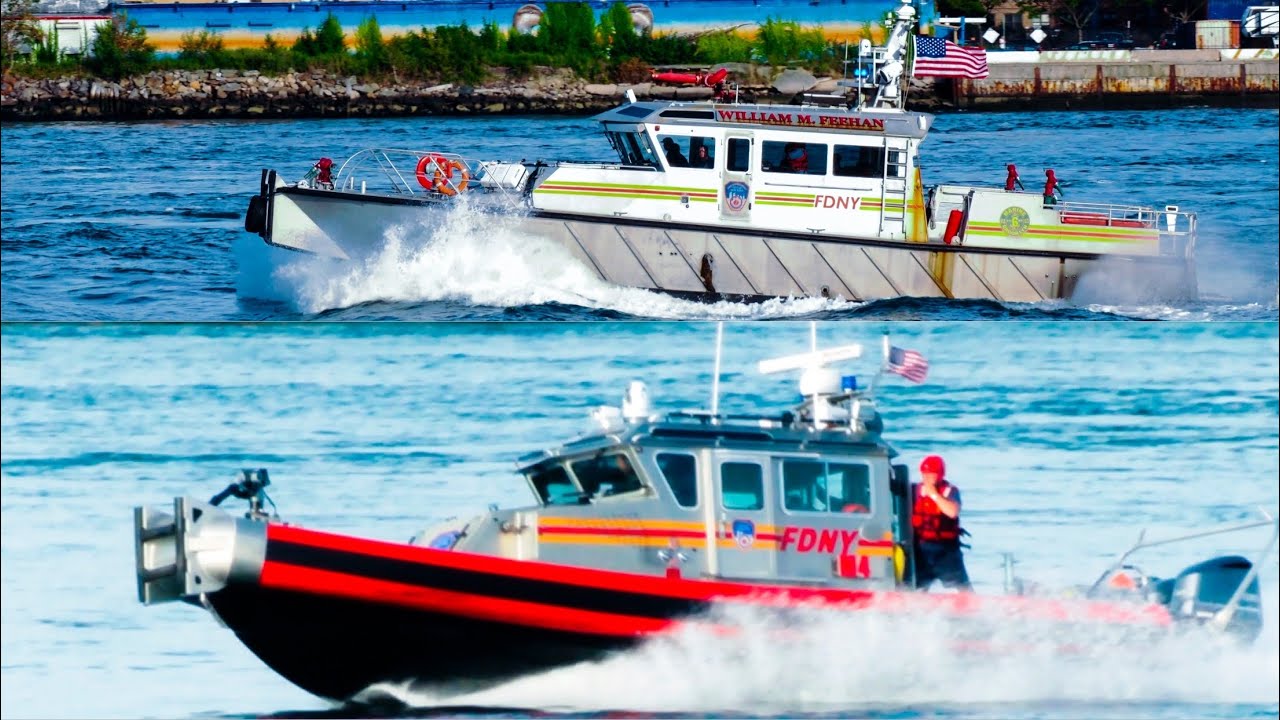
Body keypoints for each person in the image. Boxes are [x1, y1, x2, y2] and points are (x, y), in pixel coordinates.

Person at [911, 454, 972, 591]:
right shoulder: (914, 490)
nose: (926, 477)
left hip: (946, 551)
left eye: (930, 473)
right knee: (918, 588)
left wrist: (933, 494)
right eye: (924, 473)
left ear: (940, 474)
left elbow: (952, 512)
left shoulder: (950, 491)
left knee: (963, 590)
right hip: (921, 549)